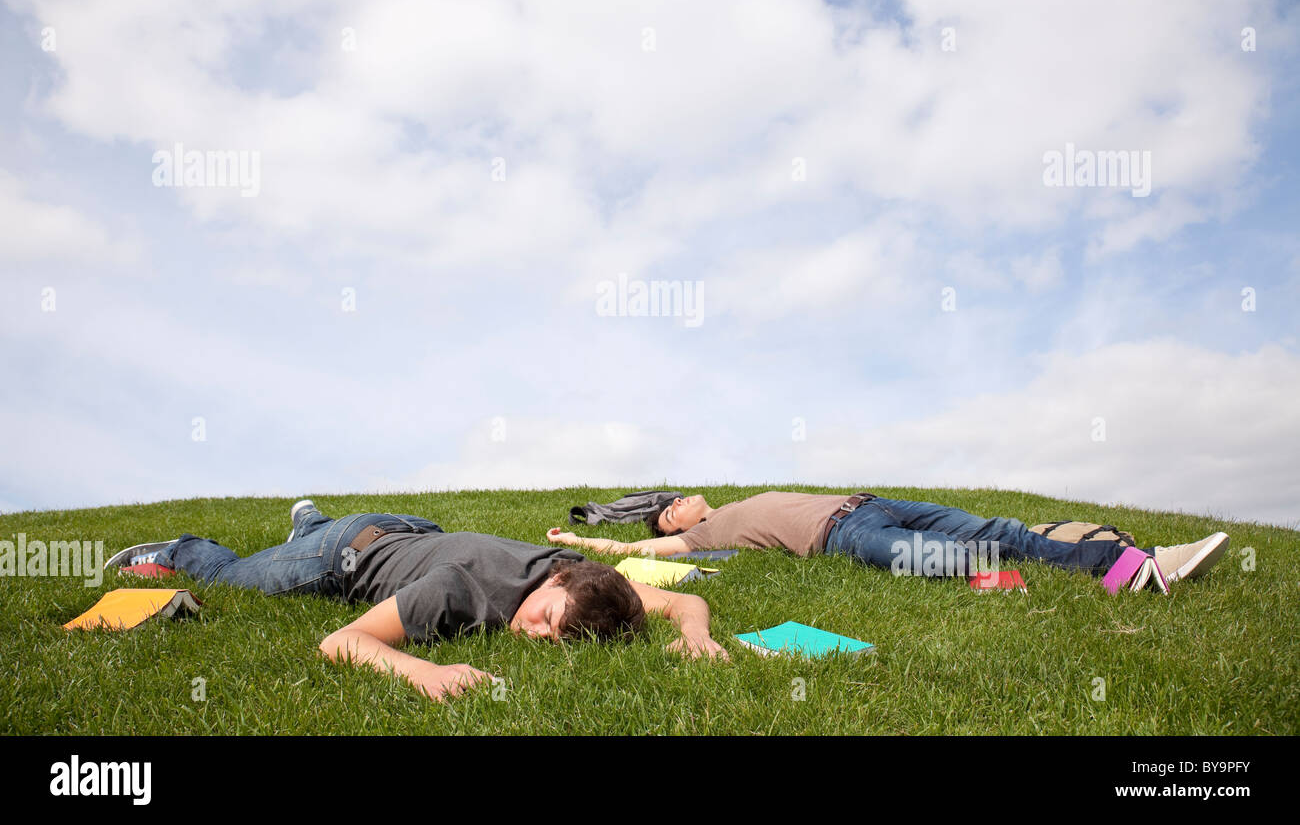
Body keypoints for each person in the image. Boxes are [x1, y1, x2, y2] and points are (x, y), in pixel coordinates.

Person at [107, 500, 727, 702]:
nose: (536, 633)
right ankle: (184, 548)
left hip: (411, 528)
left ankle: (309, 516)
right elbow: (342, 641)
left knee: (321, 531)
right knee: (233, 575)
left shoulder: (578, 578)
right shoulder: (457, 589)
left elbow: (680, 604)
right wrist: (425, 671)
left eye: (554, 637)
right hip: (345, 554)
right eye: (545, 620)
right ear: (553, 585)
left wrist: (695, 636)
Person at [546, 490, 1231, 586]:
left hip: (869, 499)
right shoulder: (698, 540)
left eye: (676, 501)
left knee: (995, 529)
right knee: (953, 557)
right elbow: (630, 550)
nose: (678, 507)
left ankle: (1128, 555)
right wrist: (583, 542)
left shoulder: (738, 494)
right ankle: (1128, 570)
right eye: (668, 512)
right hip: (842, 536)